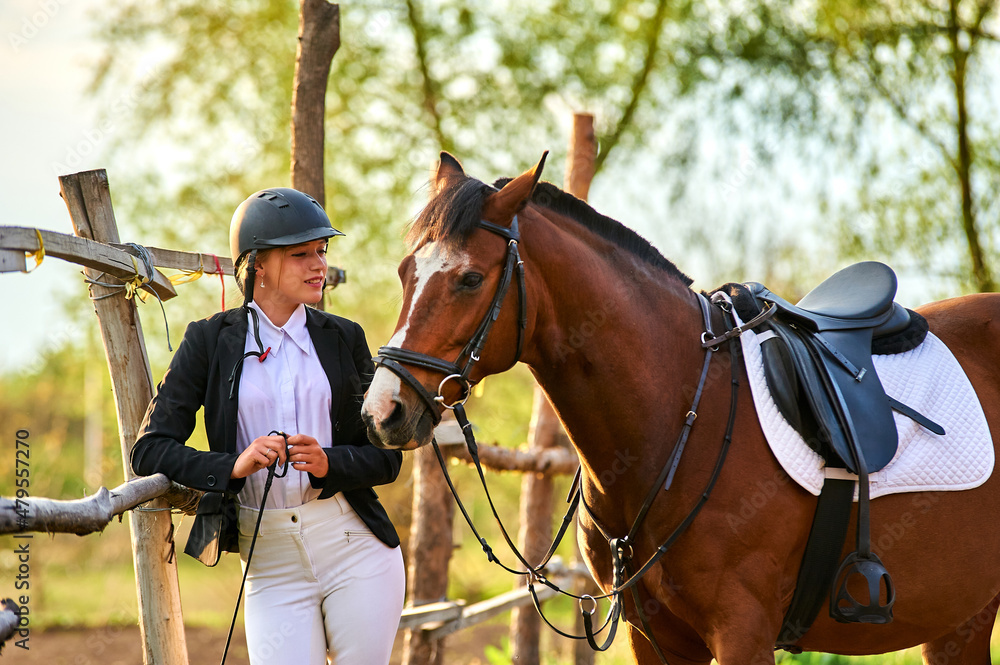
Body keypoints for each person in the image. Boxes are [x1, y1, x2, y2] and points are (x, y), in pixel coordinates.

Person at [131, 187, 405, 664]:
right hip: (269, 560)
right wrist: (231, 466)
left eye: (322, 251)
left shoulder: (345, 337)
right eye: (301, 254)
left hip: (354, 548)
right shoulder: (208, 340)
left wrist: (329, 462)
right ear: (257, 264)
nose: (318, 264)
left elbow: (387, 455)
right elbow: (150, 449)